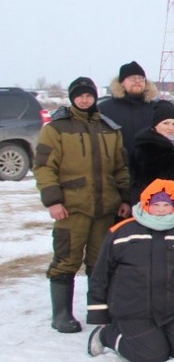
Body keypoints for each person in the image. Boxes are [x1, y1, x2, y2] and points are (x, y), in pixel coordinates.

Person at [34, 77, 131, 333]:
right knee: (66, 259)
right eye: (80, 96)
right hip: (71, 207)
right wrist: (53, 200)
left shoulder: (109, 129)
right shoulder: (56, 129)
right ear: (72, 98)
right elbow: (44, 166)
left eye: (89, 95)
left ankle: (99, 310)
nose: (85, 100)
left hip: (105, 208)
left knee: (100, 263)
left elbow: (121, 168)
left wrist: (124, 198)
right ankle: (62, 314)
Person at [85, 179, 174, 362]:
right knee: (151, 357)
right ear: (145, 204)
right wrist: (99, 312)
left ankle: (157, 337)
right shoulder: (121, 232)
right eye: (156, 205)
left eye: (166, 205)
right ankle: (108, 334)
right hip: (134, 311)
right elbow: (101, 274)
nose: (161, 209)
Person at [129, 100, 174, 207]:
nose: (170, 128)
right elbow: (140, 185)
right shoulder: (146, 149)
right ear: (155, 125)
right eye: (166, 123)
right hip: (159, 209)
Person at [97, 60, 158, 163]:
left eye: (141, 78)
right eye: (133, 78)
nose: (138, 81)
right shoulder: (104, 109)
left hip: (149, 170)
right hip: (116, 170)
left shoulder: (156, 108)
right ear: (122, 82)